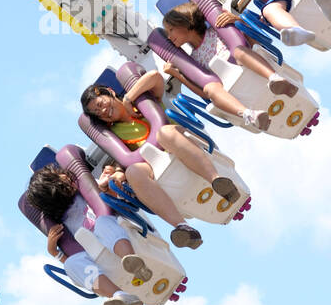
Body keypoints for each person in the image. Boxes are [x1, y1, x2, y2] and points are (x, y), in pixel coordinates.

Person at [80, 70, 241, 233]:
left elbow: (155, 77)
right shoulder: (115, 134)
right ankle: (182, 227)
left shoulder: (142, 101)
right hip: (159, 168)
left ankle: (218, 180)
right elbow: (122, 160)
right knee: (134, 172)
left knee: (164, 133)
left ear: (111, 92)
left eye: (100, 104)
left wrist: (129, 98)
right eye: (97, 113)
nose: (102, 111)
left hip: (181, 144)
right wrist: (117, 174)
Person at [156, 0, 303, 130]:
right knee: (210, 88)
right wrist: (177, 74)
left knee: (239, 51)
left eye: (171, 30)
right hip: (232, 88)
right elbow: (204, 93)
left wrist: (237, 21)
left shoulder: (216, 31)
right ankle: (249, 115)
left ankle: (275, 78)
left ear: (185, 24)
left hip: (249, 67)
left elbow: (252, 39)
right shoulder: (193, 60)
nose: (169, 37)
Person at [24, 162, 152, 305]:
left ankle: (133, 261)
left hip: (123, 238)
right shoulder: (62, 225)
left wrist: (105, 184)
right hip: (102, 261)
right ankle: (120, 296)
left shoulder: (87, 189)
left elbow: (116, 201)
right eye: (58, 175)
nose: (64, 174)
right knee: (71, 263)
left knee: (102, 223)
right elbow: (79, 259)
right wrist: (55, 252)